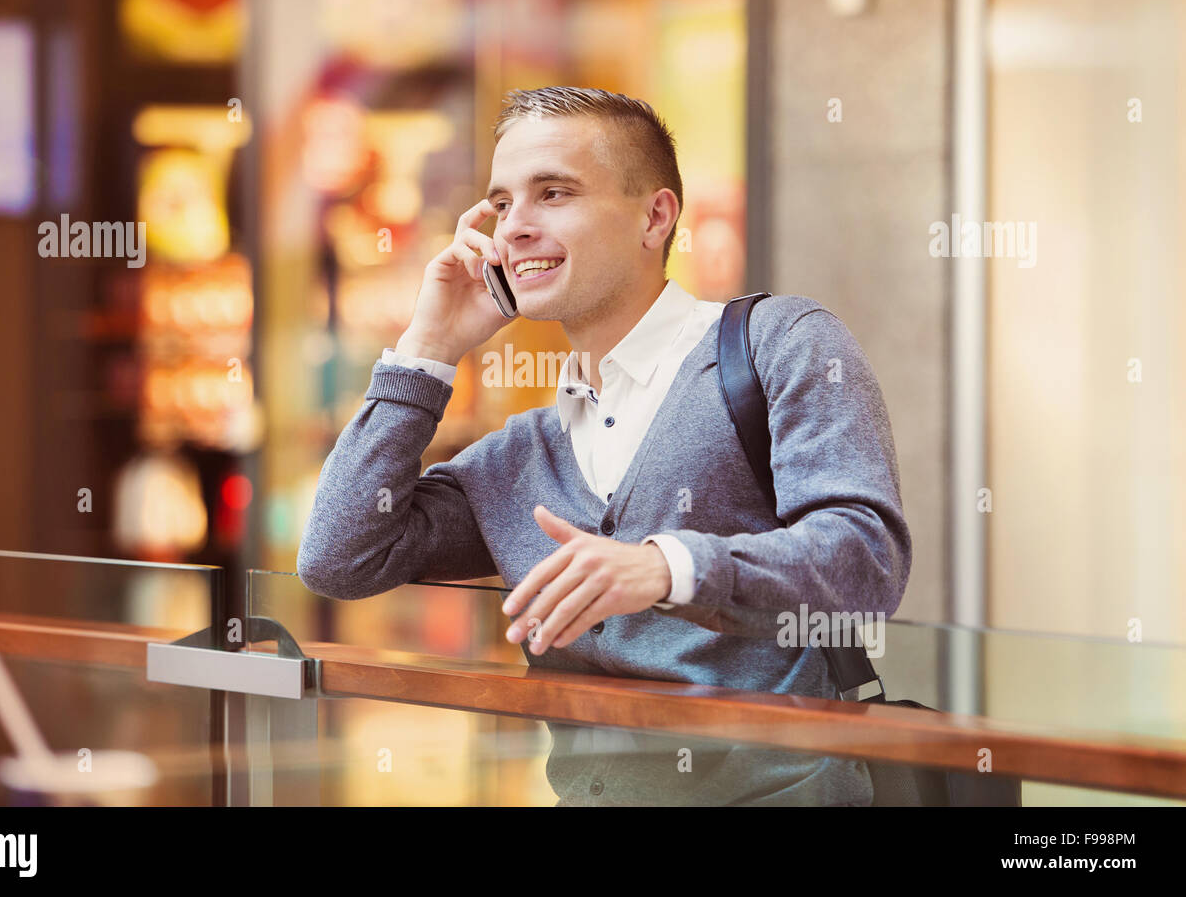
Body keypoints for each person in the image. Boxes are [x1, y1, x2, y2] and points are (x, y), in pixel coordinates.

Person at [297, 86, 912, 805]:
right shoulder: (519, 458)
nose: (515, 227)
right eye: (501, 206)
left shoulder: (781, 344)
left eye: (553, 193)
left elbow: (867, 558)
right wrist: (426, 350)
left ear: (655, 217)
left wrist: (666, 567)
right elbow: (338, 555)